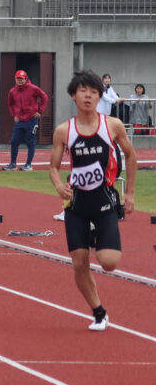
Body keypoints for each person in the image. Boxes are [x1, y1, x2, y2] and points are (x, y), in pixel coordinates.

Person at [47, 70, 137, 332]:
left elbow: (131, 157)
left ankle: (98, 237)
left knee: (108, 262)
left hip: (105, 200)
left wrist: (130, 193)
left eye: (94, 92)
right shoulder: (64, 130)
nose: (88, 96)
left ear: (100, 96)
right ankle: (99, 312)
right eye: (83, 91)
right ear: (74, 95)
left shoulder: (112, 126)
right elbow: (53, 167)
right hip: (76, 204)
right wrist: (58, 185)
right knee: (79, 261)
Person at [2, 69, 47, 171]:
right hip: (20, 121)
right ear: (15, 79)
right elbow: (10, 104)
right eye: (18, 79)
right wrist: (14, 114)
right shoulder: (12, 91)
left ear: (26, 79)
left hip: (32, 119)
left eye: (22, 79)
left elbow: (44, 97)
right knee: (14, 141)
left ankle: (28, 165)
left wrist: (40, 111)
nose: (20, 81)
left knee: (30, 142)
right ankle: (13, 164)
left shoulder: (33, 88)